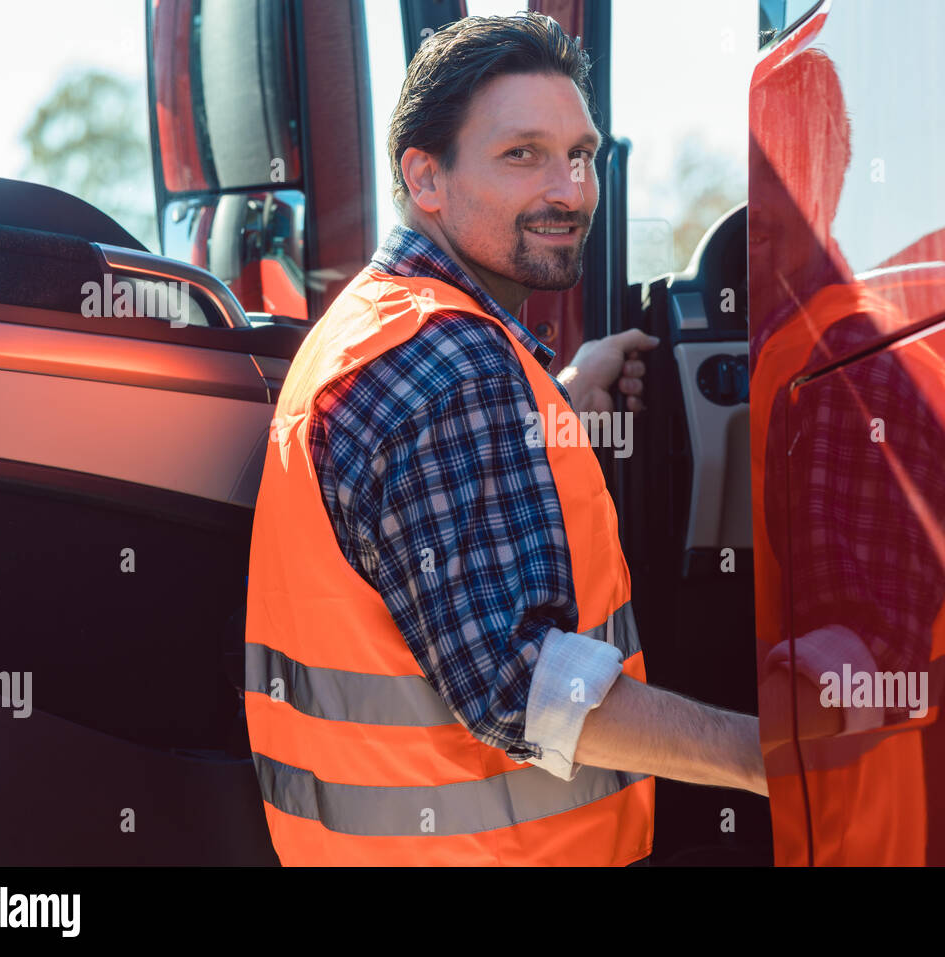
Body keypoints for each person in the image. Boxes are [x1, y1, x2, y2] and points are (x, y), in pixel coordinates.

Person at [243, 12, 765, 866]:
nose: (568, 189)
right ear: (427, 178)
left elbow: (417, 530)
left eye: (581, 155)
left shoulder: (376, 335)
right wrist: (769, 756)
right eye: (522, 154)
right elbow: (525, 689)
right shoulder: (454, 368)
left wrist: (551, 401)